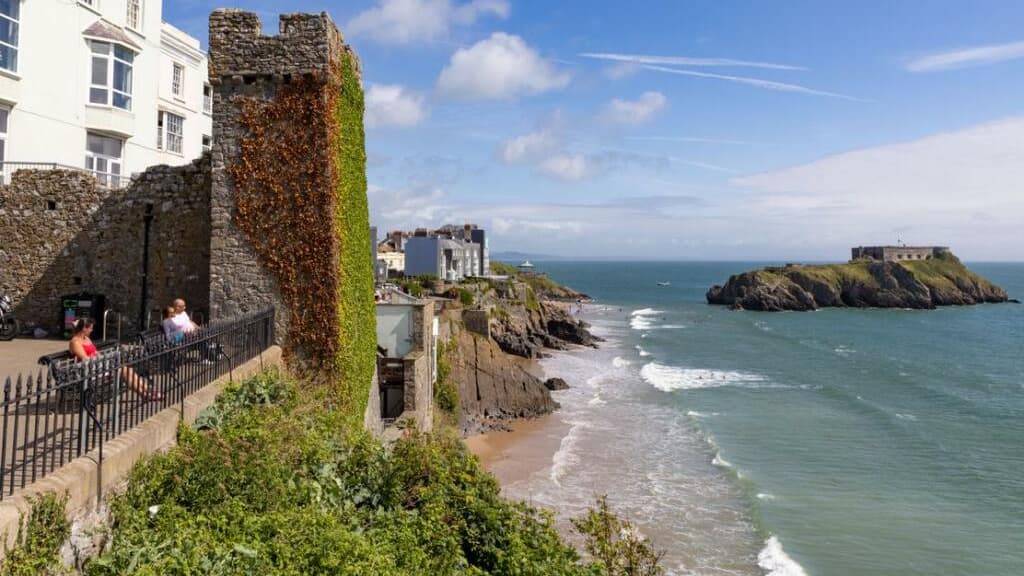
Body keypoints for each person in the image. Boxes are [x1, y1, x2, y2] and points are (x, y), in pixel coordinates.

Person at [69, 318, 161, 400]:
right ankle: (145, 394)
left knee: (127, 370)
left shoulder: (87, 338)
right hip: (89, 371)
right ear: (84, 328)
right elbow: (85, 359)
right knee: (123, 371)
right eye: (90, 328)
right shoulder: (75, 342)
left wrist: (103, 358)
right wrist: (102, 361)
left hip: (99, 366)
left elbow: (96, 352)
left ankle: (147, 391)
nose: (92, 330)